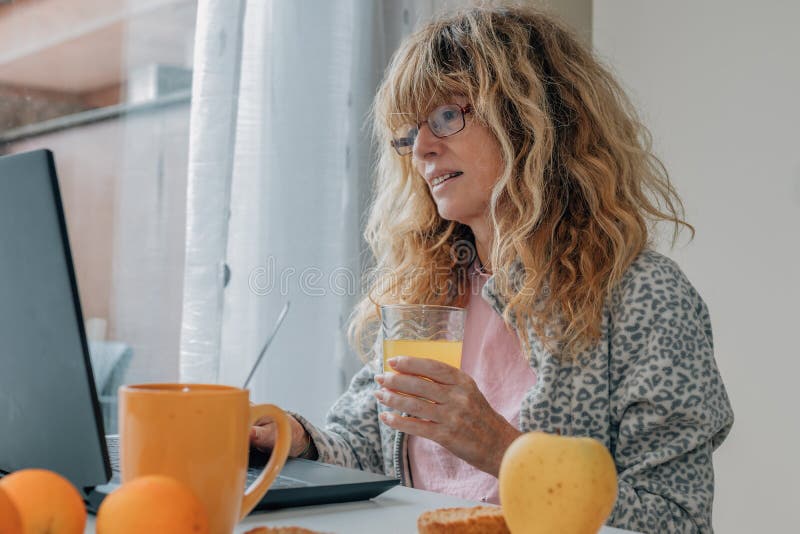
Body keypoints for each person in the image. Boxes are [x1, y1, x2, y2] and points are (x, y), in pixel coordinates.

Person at [249, 5, 733, 533]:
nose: (424, 149)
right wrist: (298, 438)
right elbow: (367, 445)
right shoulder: (430, 285)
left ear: (531, 119)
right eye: (411, 132)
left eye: (447, 116)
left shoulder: (645, 296)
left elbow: (674, 520)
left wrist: (499, 447)